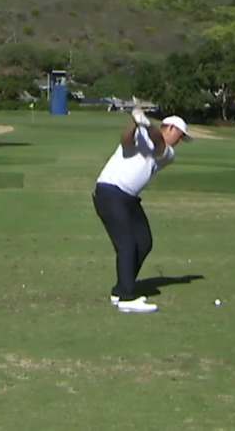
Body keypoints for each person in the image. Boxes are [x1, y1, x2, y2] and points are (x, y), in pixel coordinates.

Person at [93, 109, 192, 314]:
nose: (179, 141)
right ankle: (127, 297)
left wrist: (145, 124)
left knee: (144, 242)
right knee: (127, 244)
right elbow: (125, 140)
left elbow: (158, 142)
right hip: (110, 192)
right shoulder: (139, 136)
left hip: (129, 199)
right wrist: (134, 122)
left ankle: (121, 289)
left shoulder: (168, 153)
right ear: (171, 128)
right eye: (180, 136)